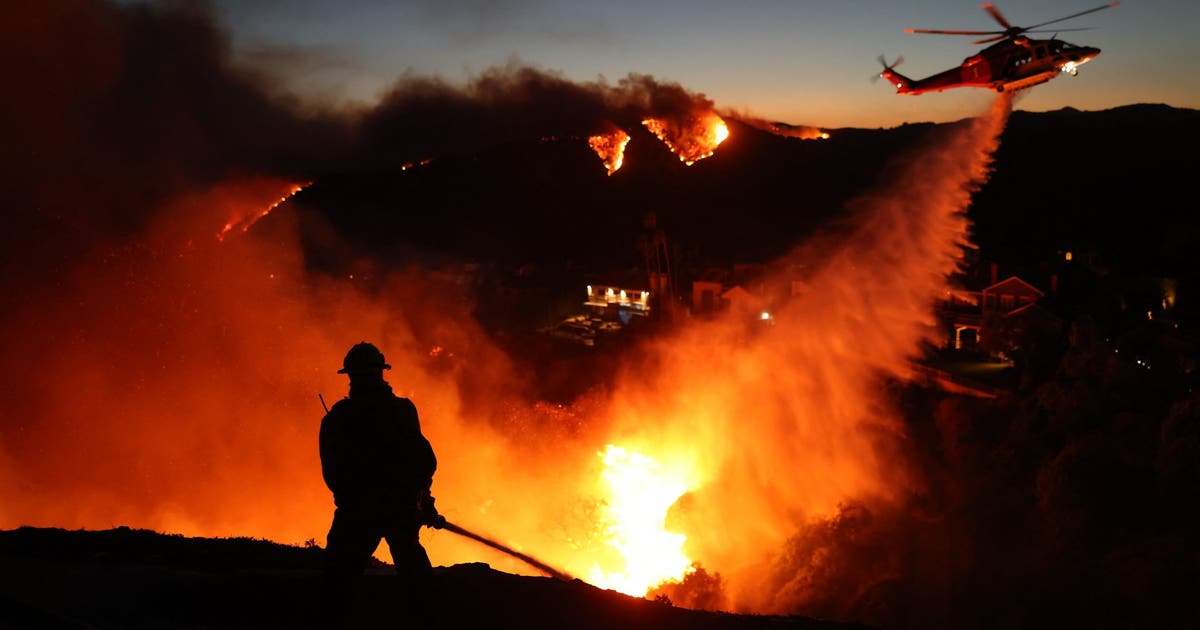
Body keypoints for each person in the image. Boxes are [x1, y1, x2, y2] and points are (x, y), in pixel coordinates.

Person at [319, 341, 444, 626]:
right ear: (381, 372)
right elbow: (424, 462)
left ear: (349, 375)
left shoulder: (338, 417)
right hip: (394, 510)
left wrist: (419, 499)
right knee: (414, 573)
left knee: (339, 579)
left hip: (359, 513)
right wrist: (417, 499)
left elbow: (333, 473)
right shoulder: (400, 410)